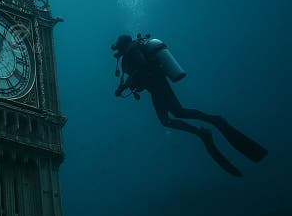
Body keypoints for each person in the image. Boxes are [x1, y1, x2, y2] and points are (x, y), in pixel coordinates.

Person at [112, 34, 267, 176]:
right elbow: (139, 72)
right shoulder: (132, 51)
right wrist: (129, 84)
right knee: (172, 117)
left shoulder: (133, 50)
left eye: (119, 46)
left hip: (158, 85)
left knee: (175, 115)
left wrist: (124, 86)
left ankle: (210, 124)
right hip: (155, 87)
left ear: (124, 44)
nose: (118, 50)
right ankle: (204, 129)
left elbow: (142, 67)